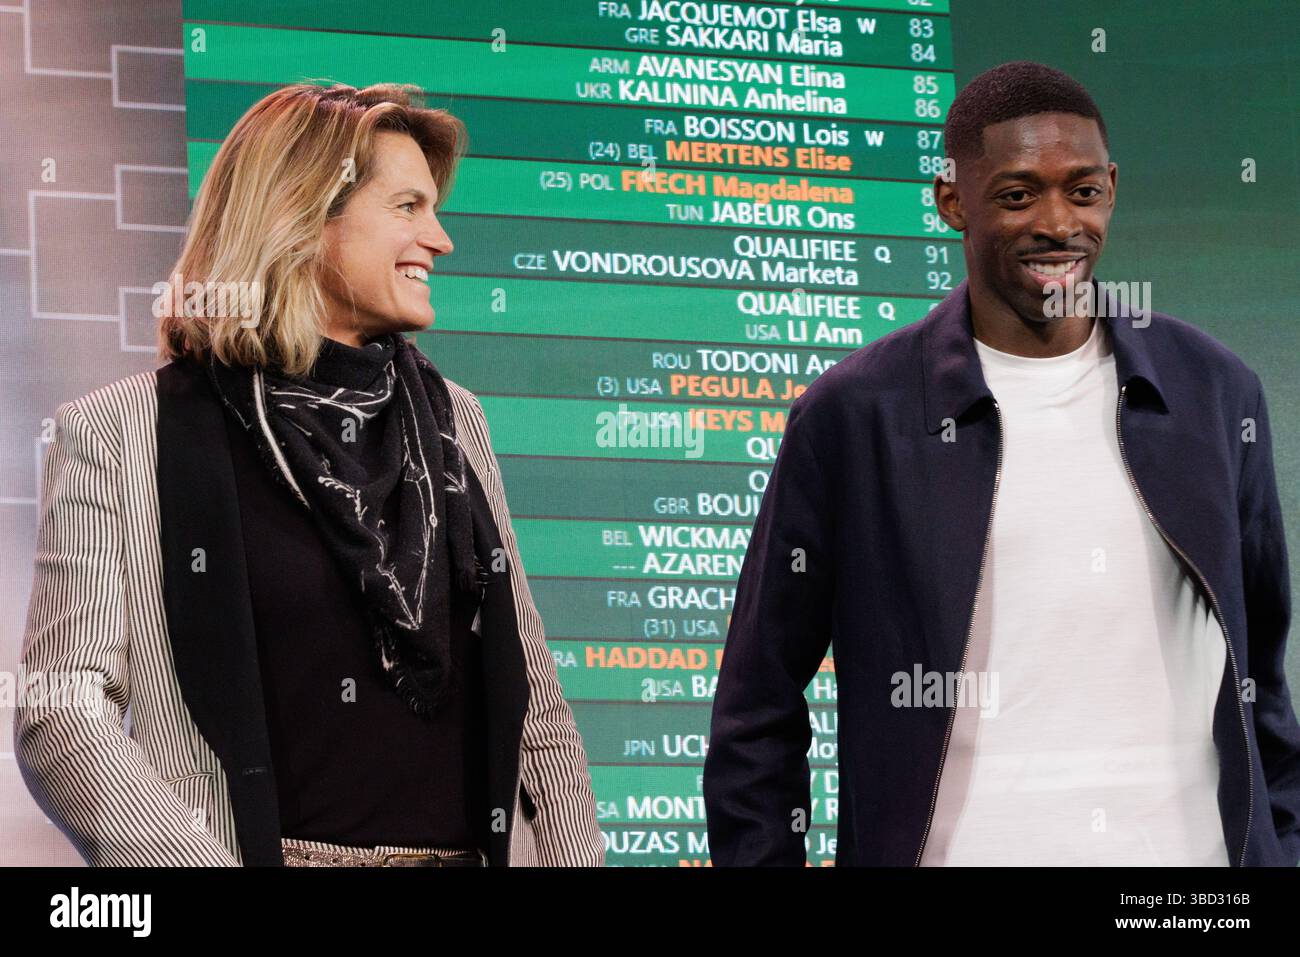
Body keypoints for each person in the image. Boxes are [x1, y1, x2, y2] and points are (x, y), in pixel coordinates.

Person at [703, 61, 1300, 866]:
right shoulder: (855, 414)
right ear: (953, 199)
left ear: (1113, 188)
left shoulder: (1214, 391)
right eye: (1019, 195)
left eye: (1083, 191)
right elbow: (757, 704)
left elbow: (1263, 679)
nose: (1059, 223)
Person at [14, 81, 605, 867]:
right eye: (407, 207)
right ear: (303, 213)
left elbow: (536, 708)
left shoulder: (456, 420)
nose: (441, 238)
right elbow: (64, 710)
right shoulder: (122, 433)